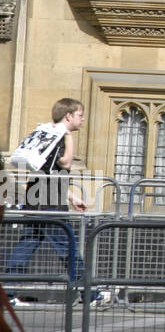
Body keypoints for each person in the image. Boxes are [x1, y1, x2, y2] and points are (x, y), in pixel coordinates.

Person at [4, 98, 108, 307]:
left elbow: (52, 175)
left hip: (38, 200)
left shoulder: (47, 136)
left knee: (26, 246)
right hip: (49, 205)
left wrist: (72, 197)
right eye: (80, 115)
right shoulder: (58, 137)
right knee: (67, 248)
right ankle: (91, 295)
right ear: (68, 116)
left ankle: (7, 294)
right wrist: (69, 137)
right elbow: (66, 163)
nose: (83, 119)